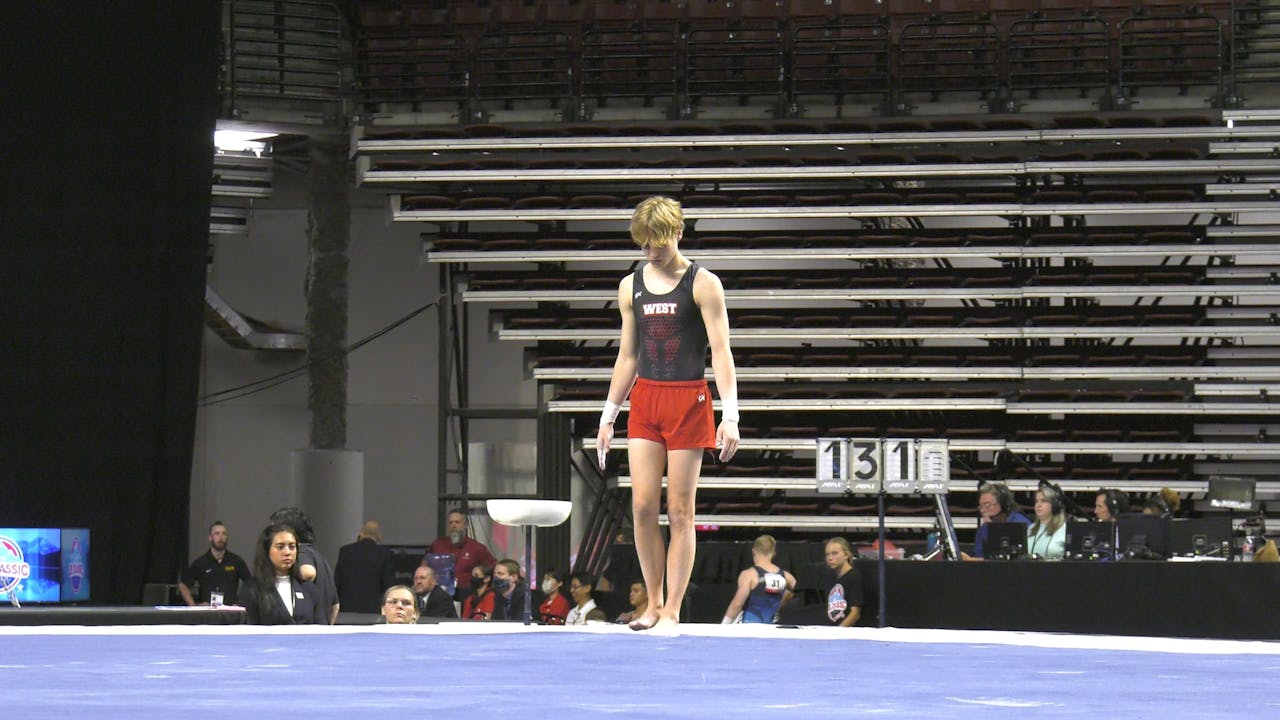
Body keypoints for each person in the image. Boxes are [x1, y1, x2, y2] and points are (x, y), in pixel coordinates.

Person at [595, 196, 740, 634]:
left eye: (656, 242)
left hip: (688, 401)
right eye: (643, 244)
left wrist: (730, 415)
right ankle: (653, 604)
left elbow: (721, 351)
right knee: (641, 507)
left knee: (679, 510)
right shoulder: (630, 285)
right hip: (646, 399)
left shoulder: (703, 283)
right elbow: (627, 355)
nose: (650, 252)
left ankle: (674, 608)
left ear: (677, 233)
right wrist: (608, 414)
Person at [242, 523, 326, 625]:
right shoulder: (253, 590)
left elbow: (322, 628)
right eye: (280, 547)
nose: (287, 552)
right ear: (266, 551)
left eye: (292, 547)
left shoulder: (309, 589)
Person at [270, 506, 339, 624]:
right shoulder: (320, 557)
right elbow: (335, 606)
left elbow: (308, 572)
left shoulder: (302, 552)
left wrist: (283, 578)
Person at [721, 534, 796, 624]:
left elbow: (737, 604)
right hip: (771, 626)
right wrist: (778, 608)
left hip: (750, 624)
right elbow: (791, 593)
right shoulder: (787, 577)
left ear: (753, 551)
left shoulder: (749, 575)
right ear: (773, 553)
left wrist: (724, 626)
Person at [426, 508, 496, 599]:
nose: (453, 525)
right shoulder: (438, 545)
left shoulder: (477, 548)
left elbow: (492, 567)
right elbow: (425, 565)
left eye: (457, 522)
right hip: (440, 594)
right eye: (451, 522)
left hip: (466, 595)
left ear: (466, 525)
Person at [178, 520, 252, 607]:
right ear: (210, 537)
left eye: (224, 534)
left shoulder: (236, 561)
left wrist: (240, 603)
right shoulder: (200, 563)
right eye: (217, 533)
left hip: (231, 612)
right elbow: (183, 586)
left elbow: (251, 584)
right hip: (208, 612)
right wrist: (194, 607)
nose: (221, 537)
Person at [335, 520, 396, 614]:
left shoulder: (345, 551)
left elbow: (337, 581)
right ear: (378, 536)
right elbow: (389, 586)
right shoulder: (385, 554)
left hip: (347, 608)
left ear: (361, 533)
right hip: (373, 610)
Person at [962, 482, 1032, 560]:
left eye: (987, 505)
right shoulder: (984, 528)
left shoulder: (1021, 524)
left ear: (1003, 504)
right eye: (981, 506)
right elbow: (980, 557)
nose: (983, 510)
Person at [823, 537, 862, 627]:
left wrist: (838, 631)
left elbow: (855, 613)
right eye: (827, 554)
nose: (830, 558)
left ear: (846, 555)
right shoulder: (830, 577)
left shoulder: (853, 577)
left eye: (834, 553)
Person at [1027, 486, 1068, 560]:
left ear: (1054, 505)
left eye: (1043, 501)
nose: (1038, 505)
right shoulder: (1030, 529)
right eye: (1036, 501)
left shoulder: (1064, 530)